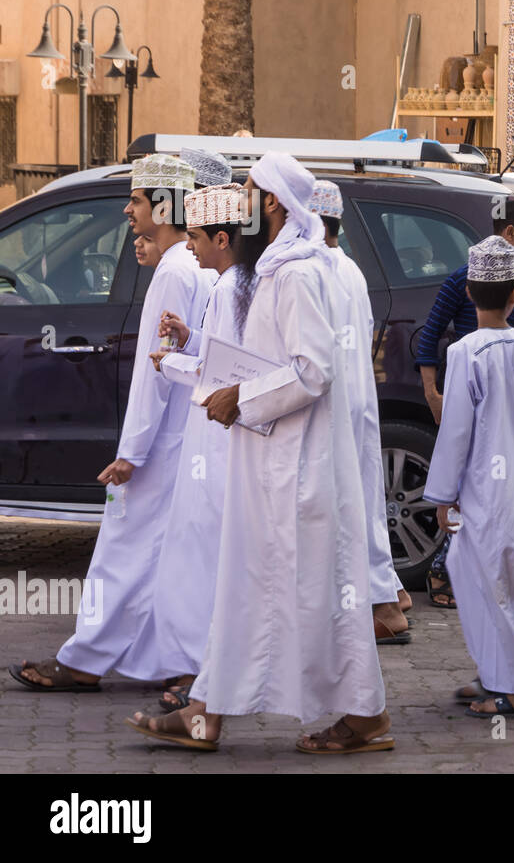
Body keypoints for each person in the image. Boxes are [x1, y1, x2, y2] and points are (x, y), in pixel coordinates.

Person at [126, 152, 392, 754]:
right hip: (267, 465)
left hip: (298, 470)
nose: (240, 196)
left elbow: (312, 369)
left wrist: (240, 398)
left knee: (325, 597)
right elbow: (259, 361)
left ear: (271, 201)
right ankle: (206, 714)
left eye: (247, 188)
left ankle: (367, 719)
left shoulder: (297, 273)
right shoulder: (273, 270)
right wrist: (205, 374)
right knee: (246, 589)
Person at [9, 154, 212, 693]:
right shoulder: (192, 266)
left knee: (123, 550)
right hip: (185, 440)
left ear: (165, 207)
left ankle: (84, 660)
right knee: (172, 556)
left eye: (138, 201)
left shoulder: (174, 270)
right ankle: (175, 663)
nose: (129, 210)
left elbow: (156, 372)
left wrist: (133, 453)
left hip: (165, 443)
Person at [423, 236, 514, 718]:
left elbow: (456, 429)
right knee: (511, 583)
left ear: (467, 293)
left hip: (481, 488)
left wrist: (442, 495)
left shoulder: (466, 352)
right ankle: (500, 674)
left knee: (485, 582)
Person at [147, 181, 256, 712]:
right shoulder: (230, 286)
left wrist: (169, 363)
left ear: (220, 237)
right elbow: (222, 353)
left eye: (193, 237)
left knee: (204, 554)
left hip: (217, 443)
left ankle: (204, 676)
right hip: (211, 440)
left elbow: (227, 375)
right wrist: (189, 338)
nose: (188, 247)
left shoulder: (235, 288)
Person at [414, 199, 514, 610]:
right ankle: (449, 566)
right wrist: (434, 395)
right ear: (510, 233)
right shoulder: (459, 287)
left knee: (505, 494)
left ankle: (491, 573)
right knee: (470, 488)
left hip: (509, 406)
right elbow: (430, 336)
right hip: (467, 399)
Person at [308, 179, 411, 643]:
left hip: (332, 402)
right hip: (357, 399)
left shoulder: (313, 270)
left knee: (345, 507)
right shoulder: (347, 267)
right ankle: (388, 591)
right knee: (363, 502)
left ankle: (382, 605)